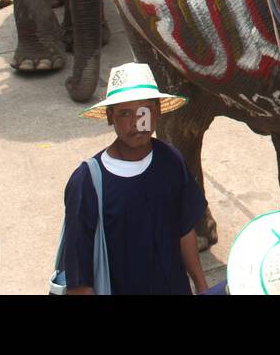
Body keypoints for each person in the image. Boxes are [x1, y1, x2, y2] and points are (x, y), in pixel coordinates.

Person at [62, 62, 209, 294]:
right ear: (110, 117)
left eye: (144, 112)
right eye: (125, 113)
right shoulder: (87, 182)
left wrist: (201, 286)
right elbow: (78, 274)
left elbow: (185, 229)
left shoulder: (171, 161)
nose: (136, 122)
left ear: (158, 111)